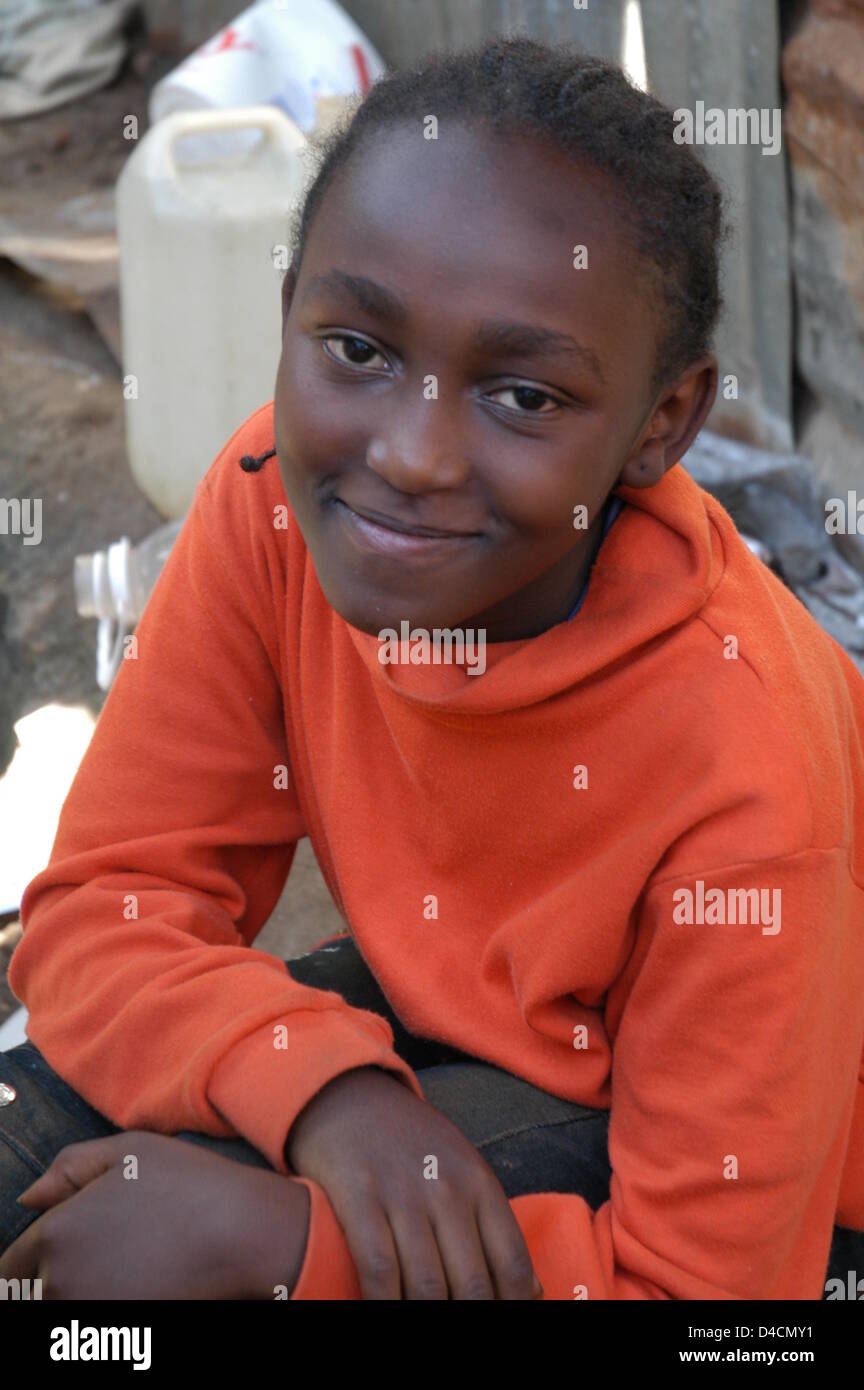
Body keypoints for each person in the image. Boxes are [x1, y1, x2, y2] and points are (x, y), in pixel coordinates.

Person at [1, 35, 863, 1301]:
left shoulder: (743, 772)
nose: (409, 453)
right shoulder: (278, 505)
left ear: (662, 424)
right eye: (357, 348)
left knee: (158, 1250)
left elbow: (717, 1303)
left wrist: (291, 1251)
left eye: (522, 394)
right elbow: (107, 906)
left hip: (768, 1188)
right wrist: (331, 1095)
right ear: (290, 305)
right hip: (470, 1015)